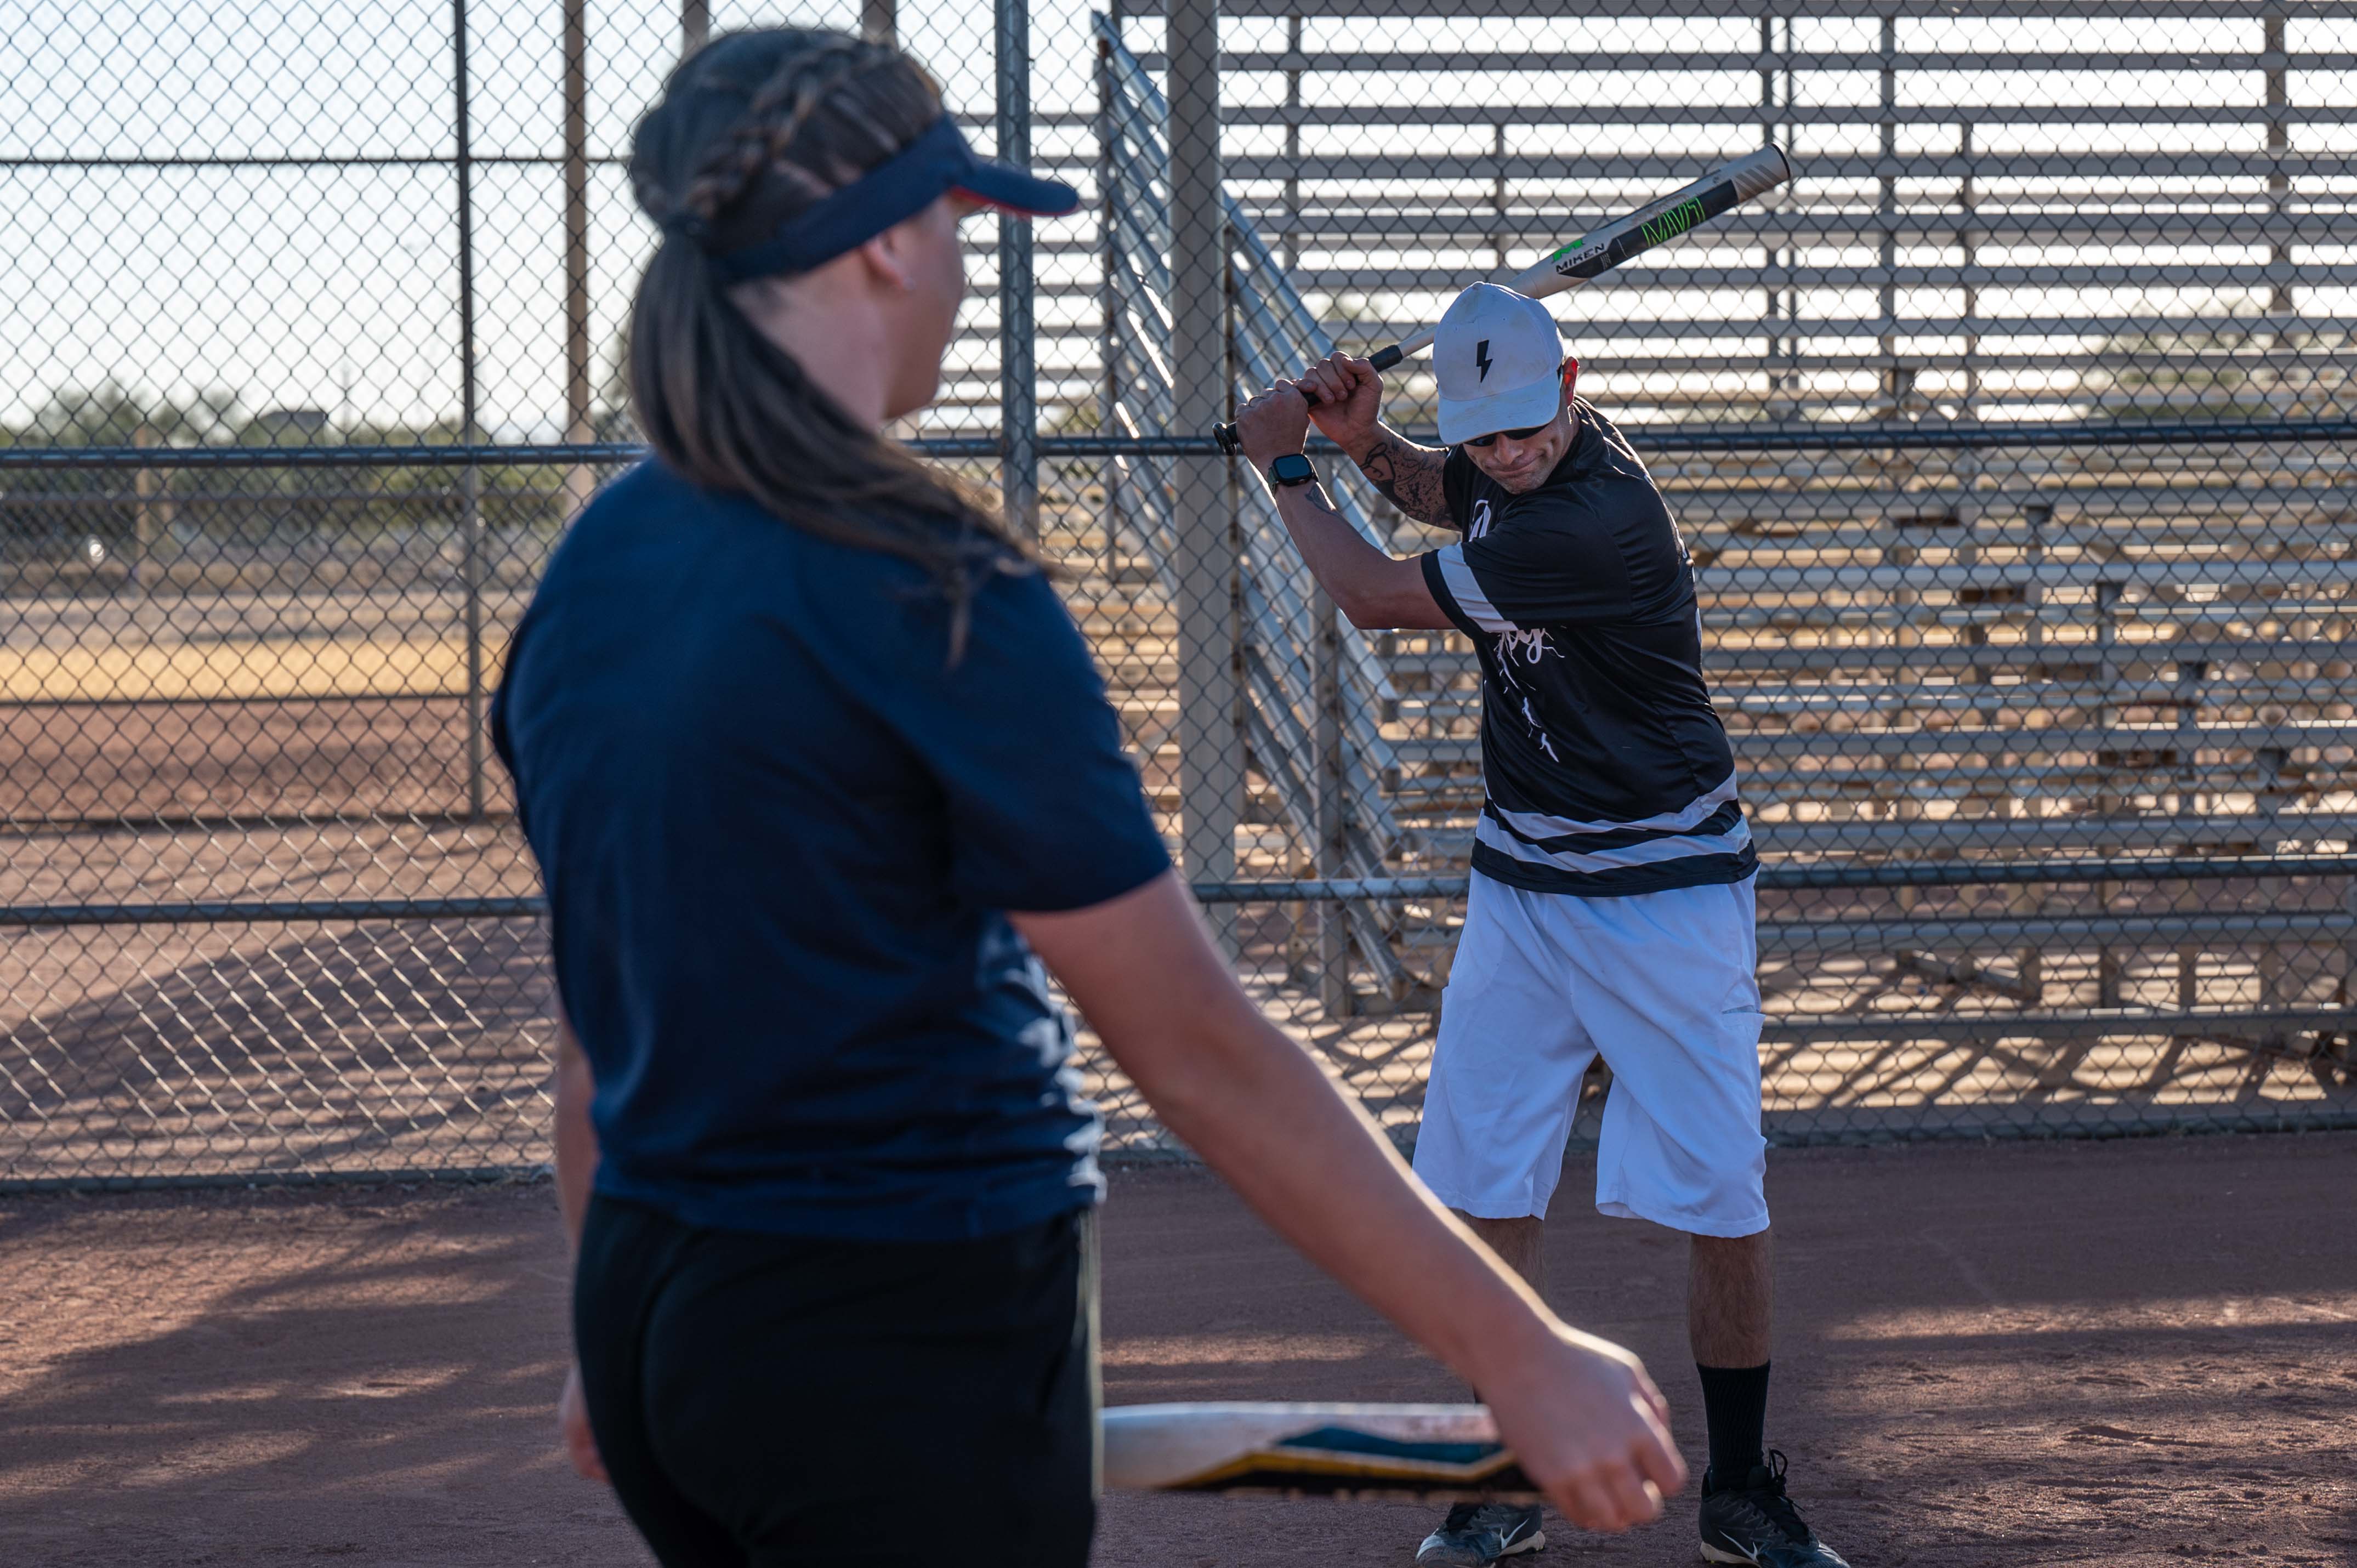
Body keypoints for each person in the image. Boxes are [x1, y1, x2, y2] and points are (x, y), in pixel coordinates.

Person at [492, 31, 1684, 1568]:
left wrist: (613, 1311)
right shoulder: (932, 582)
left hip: (665, 1311)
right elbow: (1190, 1045)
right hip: (903, 1310)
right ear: (872, 252)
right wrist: (1517, 1349)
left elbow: (599, 1013)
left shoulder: (593, 571)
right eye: (950, 229)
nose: (963, 272)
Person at [1228, 282, 1850, 1568]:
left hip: (1665, 890)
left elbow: (1369, 594)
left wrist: (1283, 465)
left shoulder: (1599, 520)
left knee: (1720, 1190)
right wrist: (1361, 443)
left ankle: (1737, 1490)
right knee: (1477, 1180)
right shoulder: (1496, 470)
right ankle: (1506, 1468)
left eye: (1527, 425)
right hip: (1522, 885)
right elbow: (1439, 490)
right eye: (1486, 434)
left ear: (1570, 389)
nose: (1507, 453)